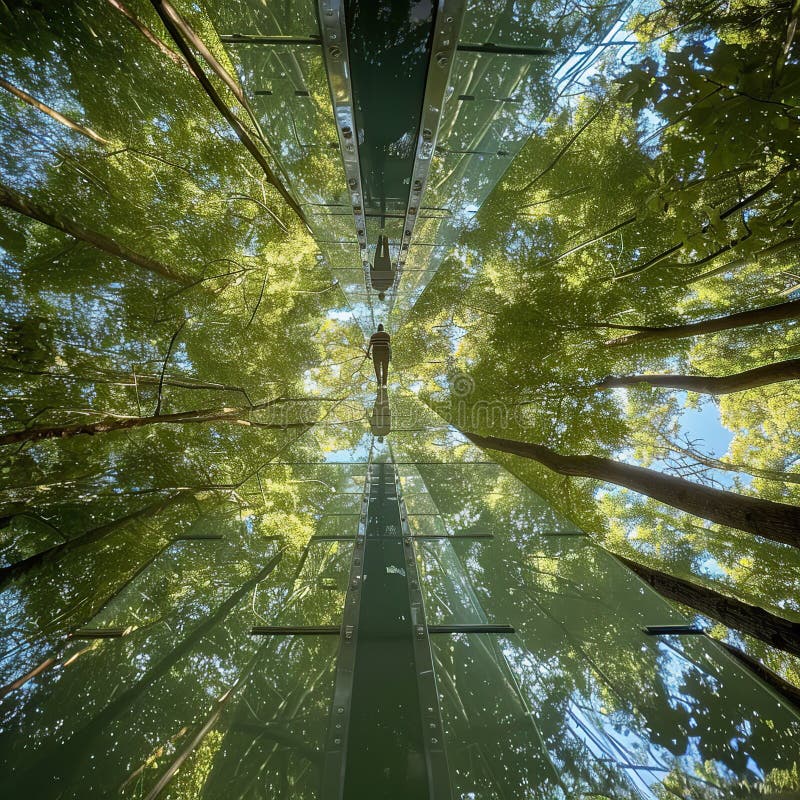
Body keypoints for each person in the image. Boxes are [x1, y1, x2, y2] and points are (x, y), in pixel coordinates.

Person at [370, 234, 394, 301]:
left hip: (387, 265)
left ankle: (386, 236)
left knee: (386, 250)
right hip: (377, 265)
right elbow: (371, 273)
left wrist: (394, 264)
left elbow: (393, 272)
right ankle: (380, 236)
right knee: (378, 249)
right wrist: (370, 266)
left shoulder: (389, 285)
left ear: (384, 295)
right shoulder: (374, 286)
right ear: (378, 295)